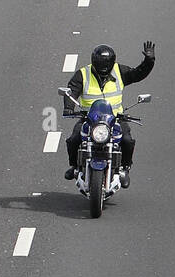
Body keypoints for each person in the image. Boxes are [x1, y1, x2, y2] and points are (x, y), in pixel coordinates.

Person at [64, 41, 155, 187]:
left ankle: (125, 168)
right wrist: (68, 107)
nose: (103, 67)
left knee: (126, 140)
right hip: (89, 118)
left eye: (106, 64)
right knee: (74, 138)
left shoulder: (120, 71)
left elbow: (137, 74)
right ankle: (74, 166)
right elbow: (72, 89)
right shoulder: (83, 74)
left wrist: (149, 61)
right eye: (100, 63)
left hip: (115, 118)